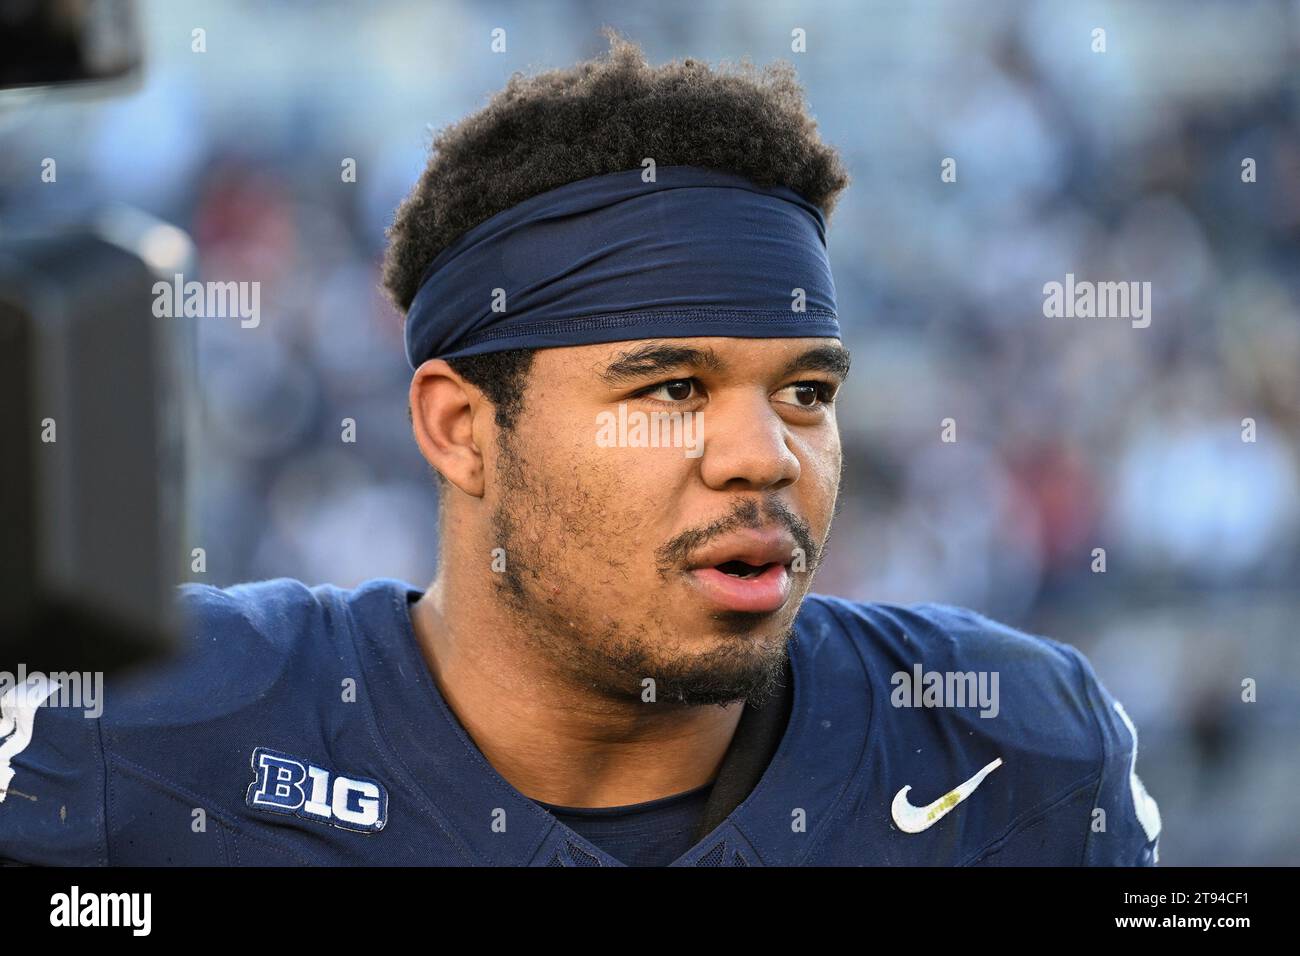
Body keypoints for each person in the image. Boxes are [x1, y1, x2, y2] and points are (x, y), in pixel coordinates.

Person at [0, 36, 1159, 867]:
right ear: (462, 428)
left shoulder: (1009, 746)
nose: (763, 457)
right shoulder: (136, 732)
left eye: (805, 390)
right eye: (670, 387)